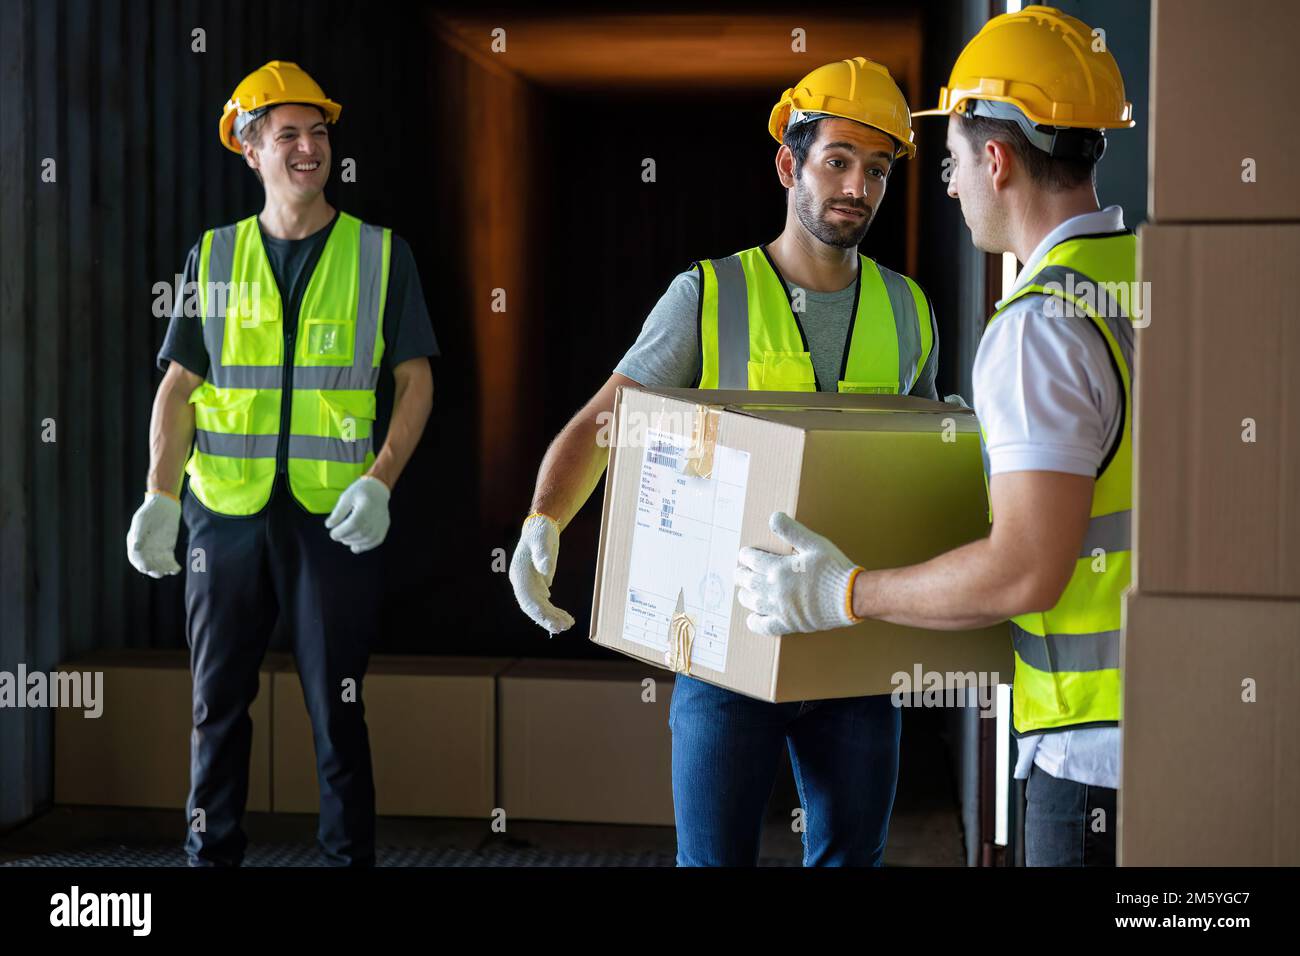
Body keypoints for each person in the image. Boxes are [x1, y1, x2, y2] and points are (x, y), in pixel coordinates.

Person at [509, 57, 939, 866]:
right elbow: (611, 421)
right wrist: (544, 518)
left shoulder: (909, 309)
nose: (858, 187)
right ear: (789, 164)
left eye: (877, 171)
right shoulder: (707, 295)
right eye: (838, 161)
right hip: (723, 643)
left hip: (853, 640)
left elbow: (930, 463)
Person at [737, 6, 1135, 866]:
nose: (946, 187)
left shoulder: (1041, 325)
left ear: (996, 160)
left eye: (949, 163)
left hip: (1095, 750)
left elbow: (1026, 567)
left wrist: (847, 593)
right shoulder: (1160, 279)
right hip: (1209, 720)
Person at [125, 61, 438, 866]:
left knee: (338, 712)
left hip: (332, 517)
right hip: (222, 519)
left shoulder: (379, 254)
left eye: (320, 132)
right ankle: (210, 859)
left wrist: (381, 481)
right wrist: (161, 496)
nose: (310, 148)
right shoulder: (216, 257)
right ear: (251, 150)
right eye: (289, 135)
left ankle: (346, 863)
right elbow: (179, 385)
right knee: (215, 707)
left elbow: (415, 380)